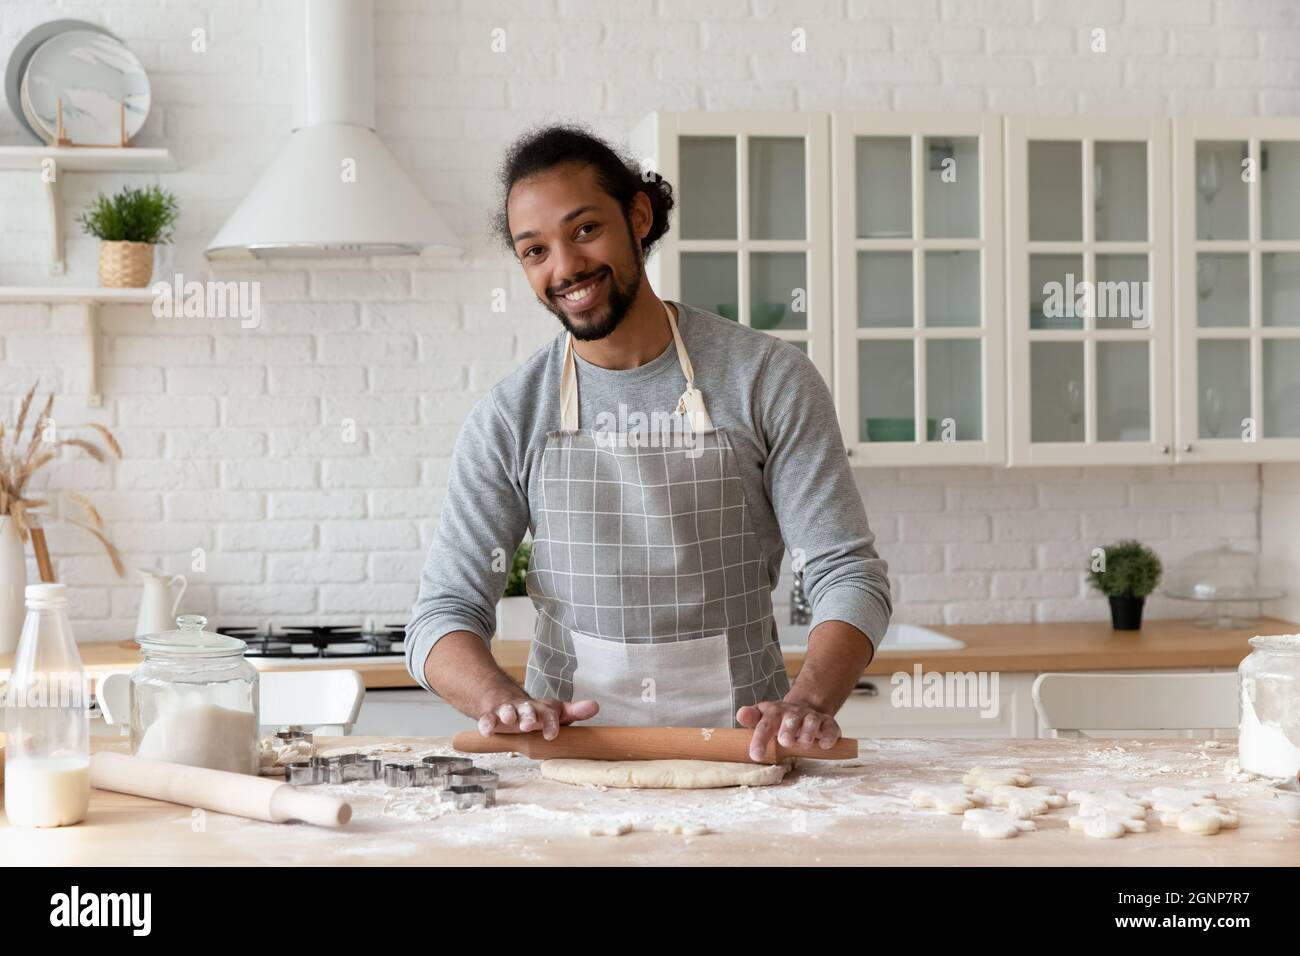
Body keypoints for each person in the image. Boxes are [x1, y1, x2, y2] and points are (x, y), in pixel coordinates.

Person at [406, 124, 892, 762]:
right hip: (568, 763)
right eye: (535, 251)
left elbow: (847, 574)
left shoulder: (767, 379)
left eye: (584, 230)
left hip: (746, 756)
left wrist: (807, 704)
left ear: (638, 215)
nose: (566, 267)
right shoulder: (511, 415)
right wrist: (500, 699)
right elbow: (443, 611)